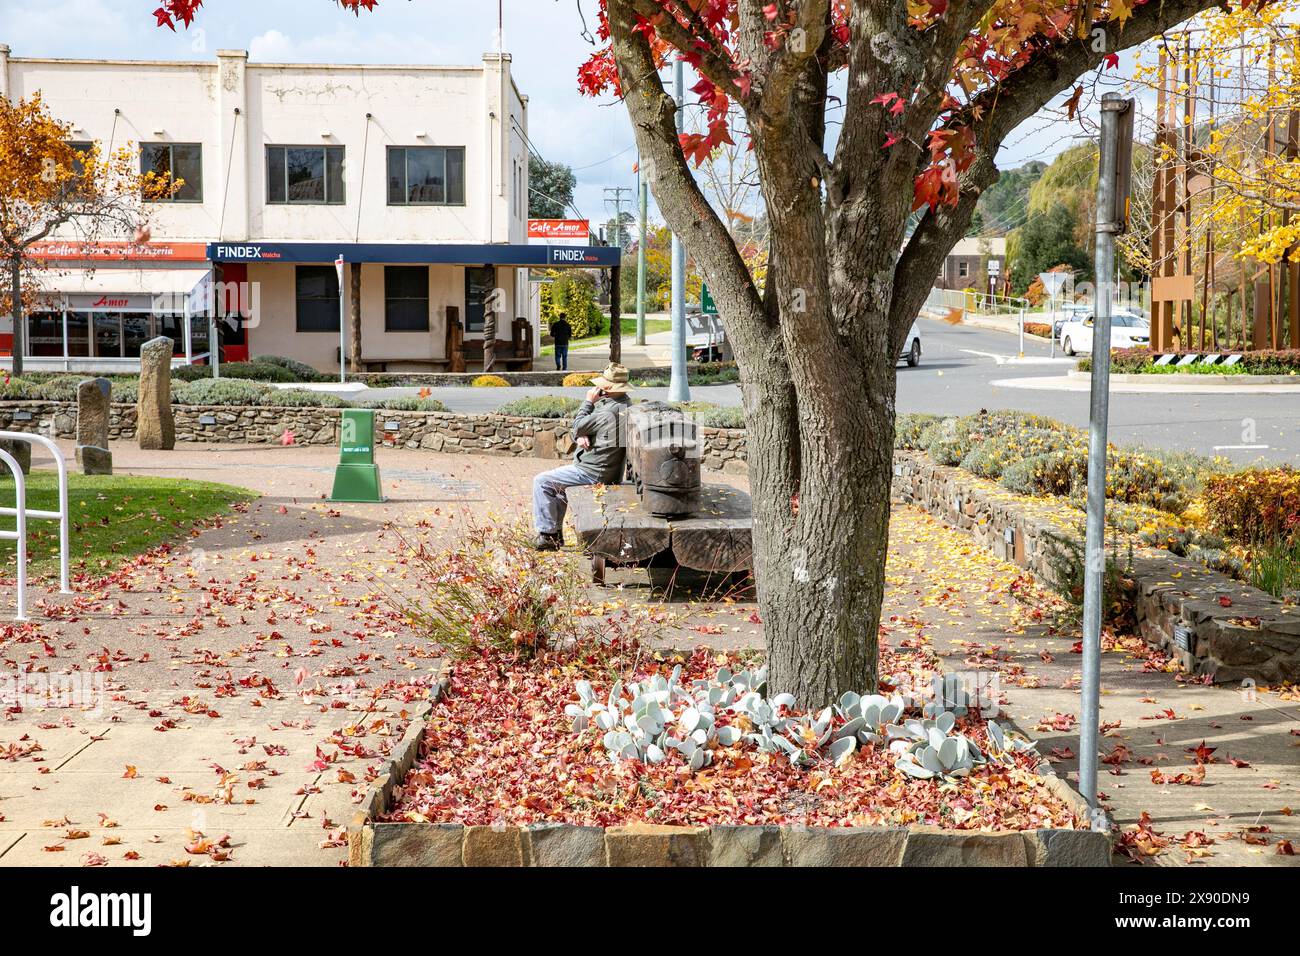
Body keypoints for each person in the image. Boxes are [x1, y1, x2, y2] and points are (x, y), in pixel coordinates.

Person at [532, 362, 632, 550]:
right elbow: (578, 430)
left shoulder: (608, 411)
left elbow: (577, 425)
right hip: (608, 470)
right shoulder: (623, 404)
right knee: (558, 488)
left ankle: (546, 535)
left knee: (542, 482)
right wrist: (581, 435)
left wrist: (588, 402)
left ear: (607, 388)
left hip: (593, 472)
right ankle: (554, 535)